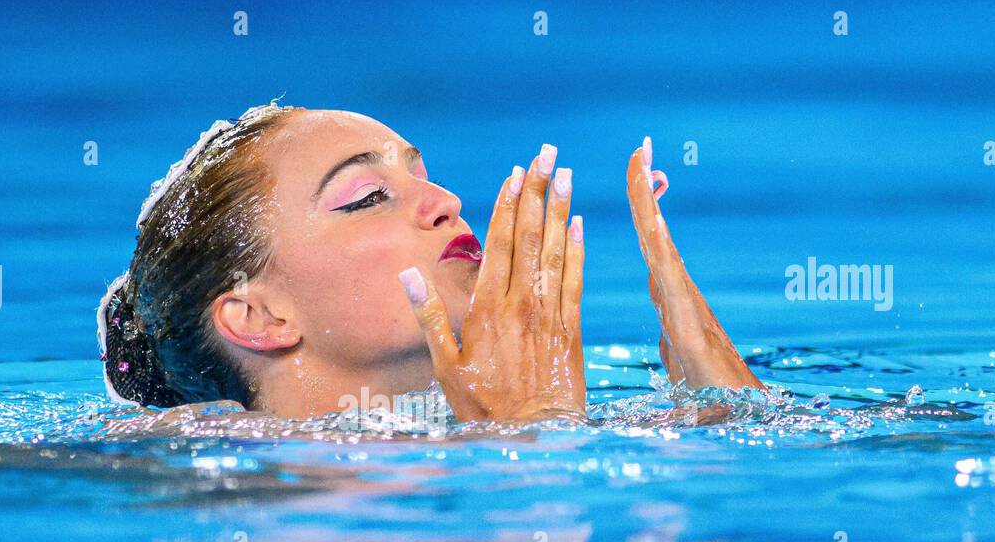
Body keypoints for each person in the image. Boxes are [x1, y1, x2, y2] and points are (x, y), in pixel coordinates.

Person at [97, 102, 764, 430]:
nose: (445, 203)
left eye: (423, 176)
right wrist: (536, 436)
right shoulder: (238, 482)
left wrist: (721, 400)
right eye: (366, 198)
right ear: (258, 315)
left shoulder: (476, 441)